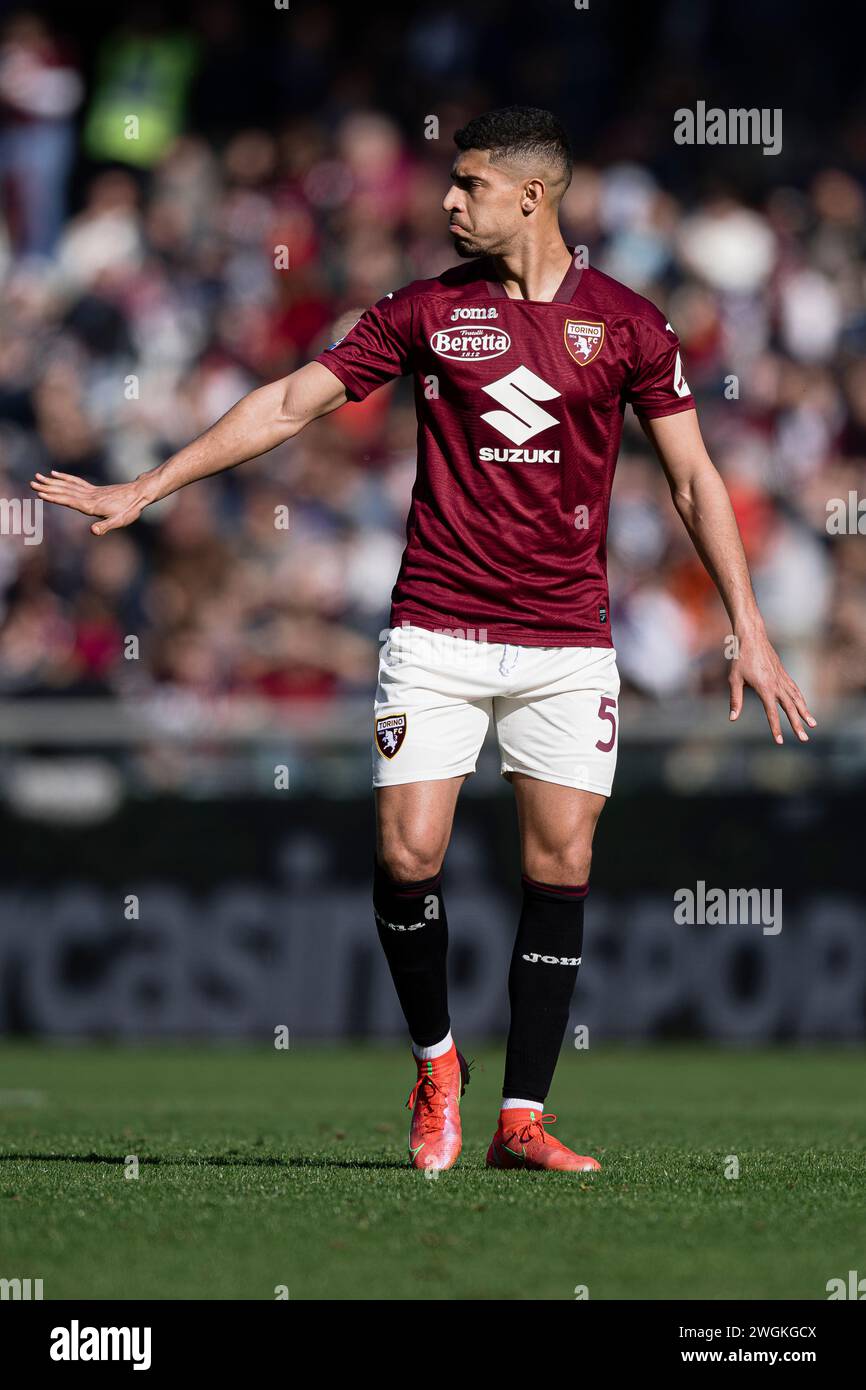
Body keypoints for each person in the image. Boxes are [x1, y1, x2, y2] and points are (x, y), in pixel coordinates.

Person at [32, 106, 816, 1174]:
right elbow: (288, 403)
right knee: (407, 854)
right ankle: (437, 1062)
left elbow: (690, 477)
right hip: (435, 625)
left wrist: (748, 627)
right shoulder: (421, 312)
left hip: (565, 639)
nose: (446, 199)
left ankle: (521, 1118)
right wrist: (150, 485)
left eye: (469, 183)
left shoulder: (629, 325)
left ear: (531, 196)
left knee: (563, 858)